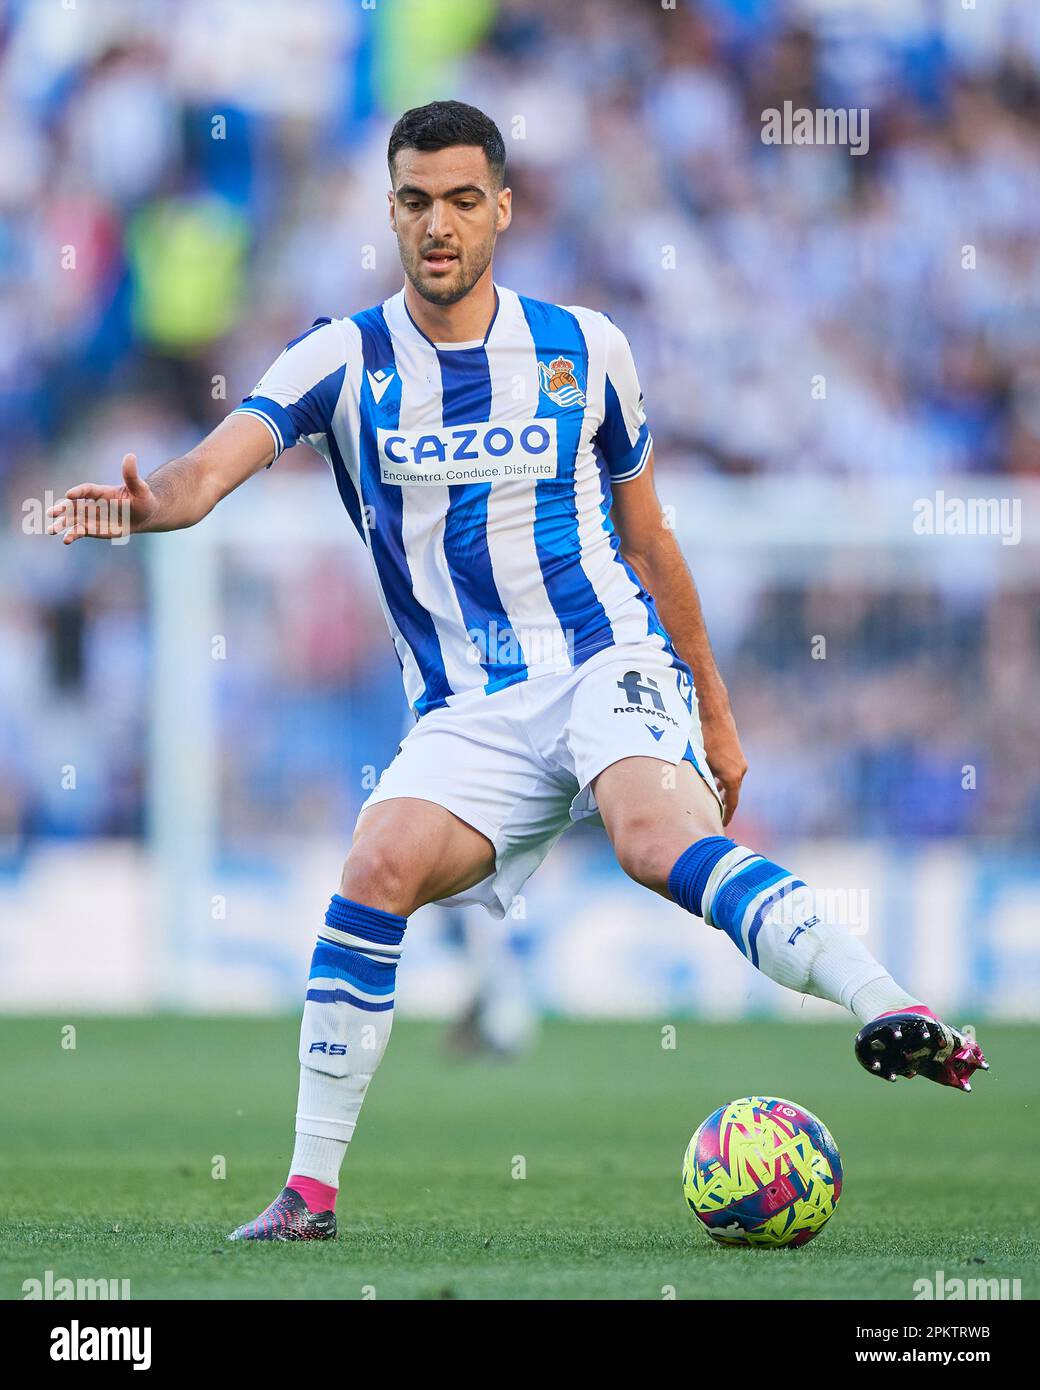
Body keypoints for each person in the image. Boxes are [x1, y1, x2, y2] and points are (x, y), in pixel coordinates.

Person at [49, 101, 986, 1243]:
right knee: (376, 864)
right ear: (389, 210)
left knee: (652, 842)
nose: (436, 225)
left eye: (460, 200)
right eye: (413, 201)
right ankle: (306, 1197)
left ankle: (888, 1004)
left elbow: (649, 540)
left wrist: (717, 712)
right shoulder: (340, 357)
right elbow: (200, 478)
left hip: (603, 659)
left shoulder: (585, 348)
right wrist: (147, 505)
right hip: (468, 710)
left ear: (502, 208)